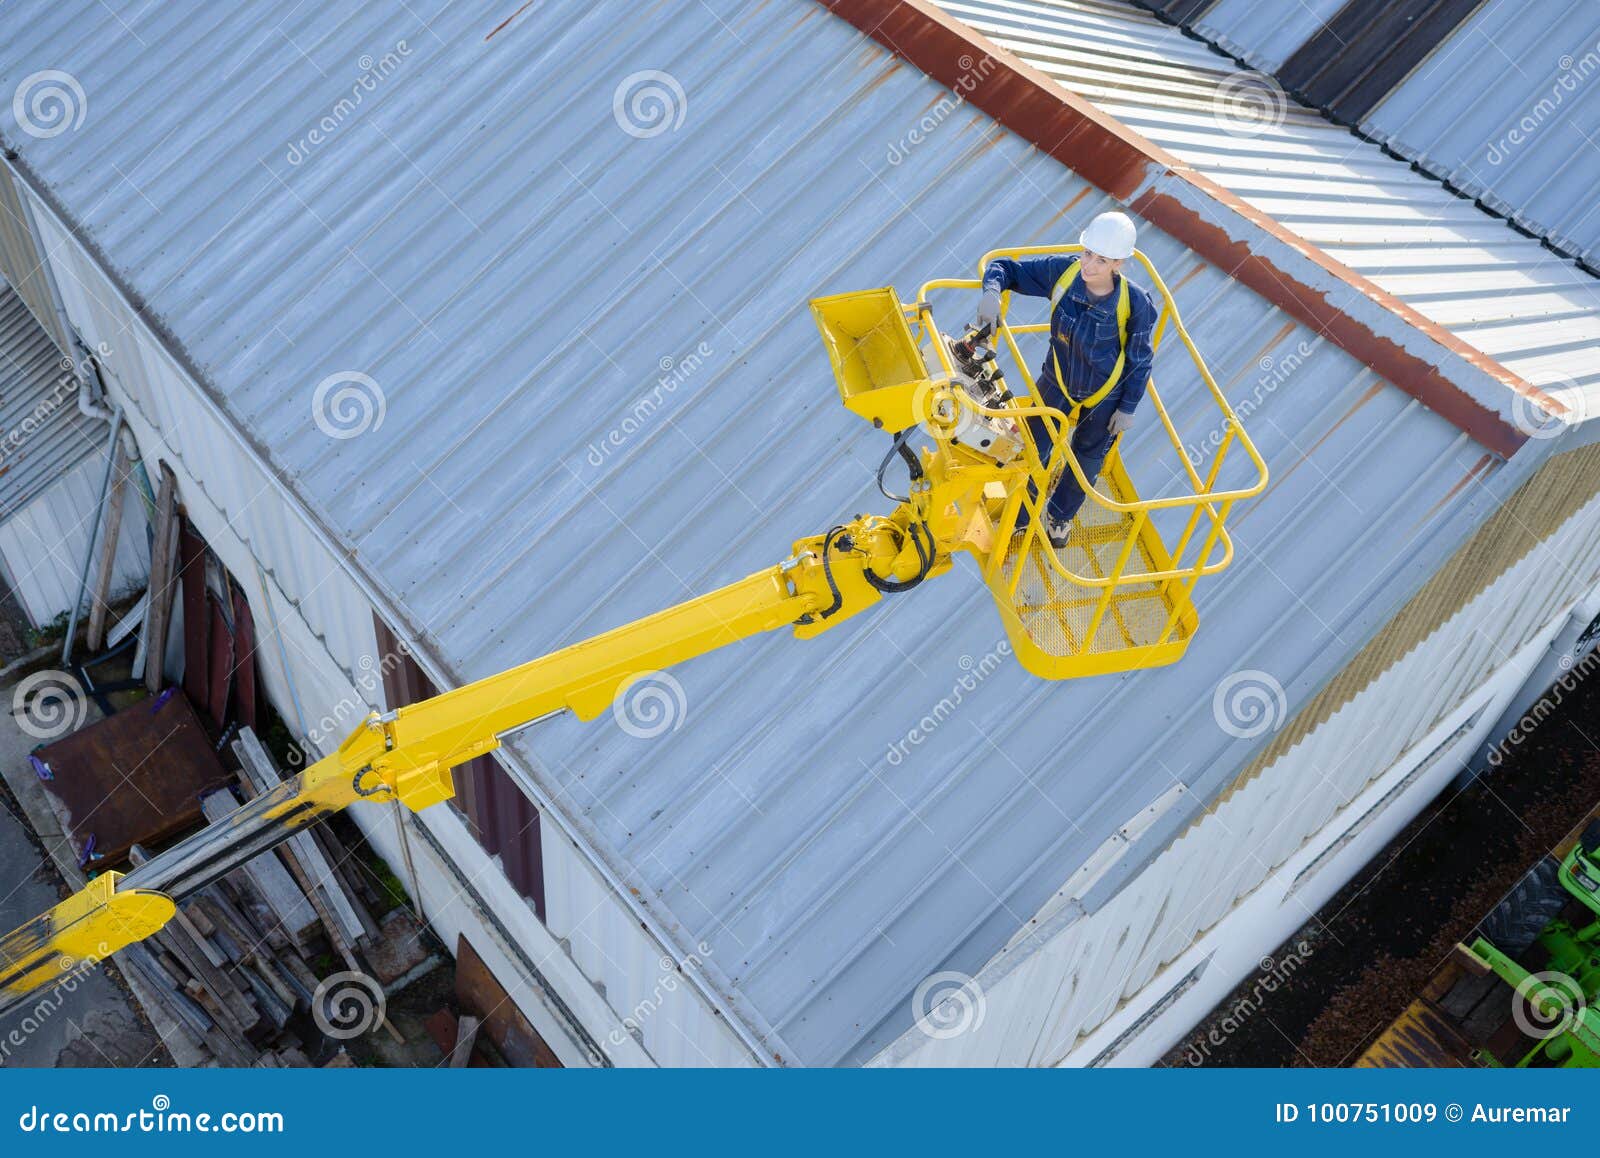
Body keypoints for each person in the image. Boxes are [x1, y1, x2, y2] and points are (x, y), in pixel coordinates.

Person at [975, 211, 1158, 549]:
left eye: (1101, 260)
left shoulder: (1135, 303)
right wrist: (991, 293)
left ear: (1118, 263)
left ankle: (1059, 516)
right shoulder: (1064, 273)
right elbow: (1005, 268)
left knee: (1087, 457)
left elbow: (1140, 359)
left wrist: (1128, 407)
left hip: (1105, 394)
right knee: (1034, 447)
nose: (1089, 265)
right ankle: (1020, 515)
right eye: (1088, 253)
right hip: (1058, 377)